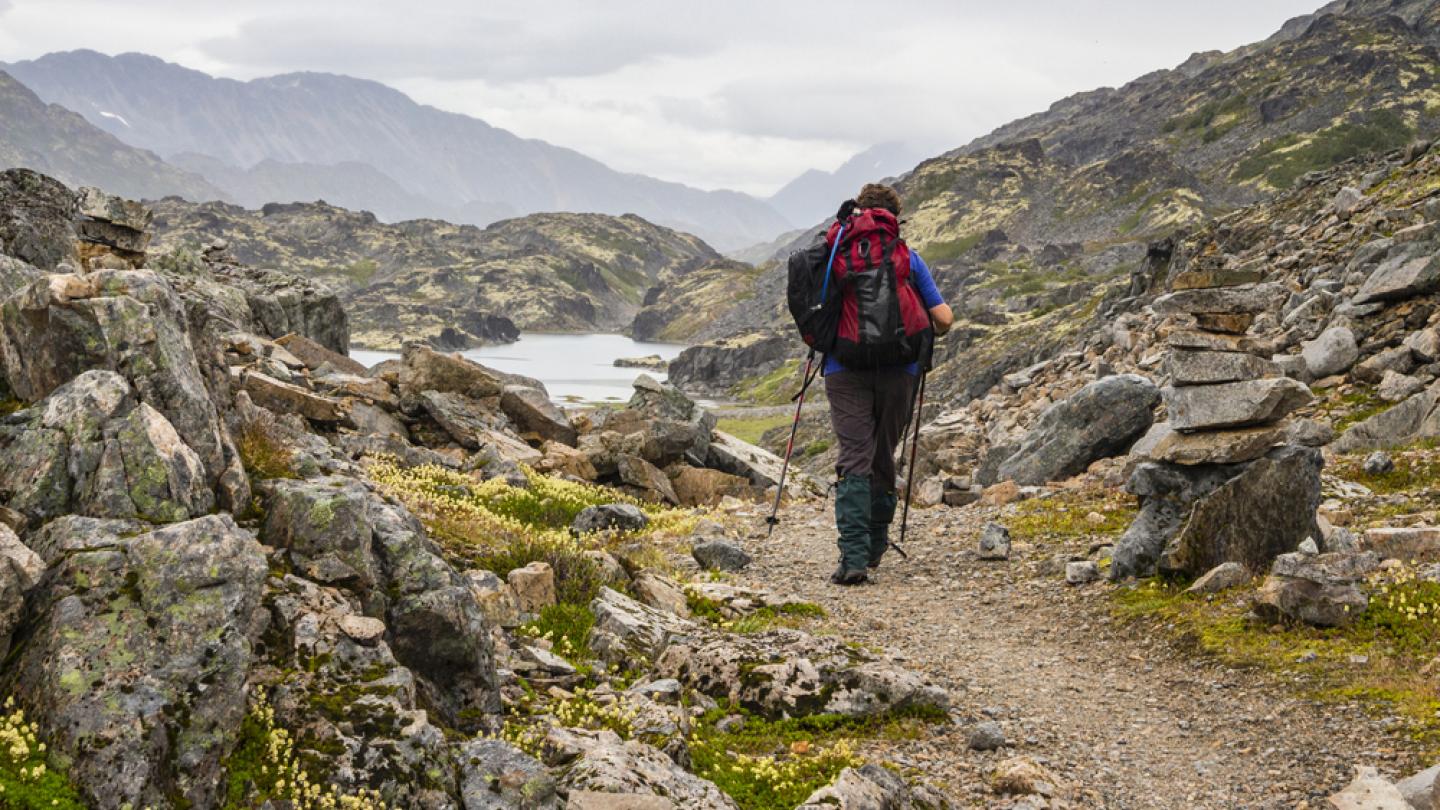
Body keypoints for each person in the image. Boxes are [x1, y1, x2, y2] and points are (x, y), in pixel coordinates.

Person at [825, 183, 952, 585]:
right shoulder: (908, 259)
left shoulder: (837, 254)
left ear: (858, 214)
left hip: (843, 369)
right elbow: (944, 319)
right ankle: (876, 545)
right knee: (884, 454)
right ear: (895, 218)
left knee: (854, 455)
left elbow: (817, 312)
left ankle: (853, 559)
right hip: (901, 370)